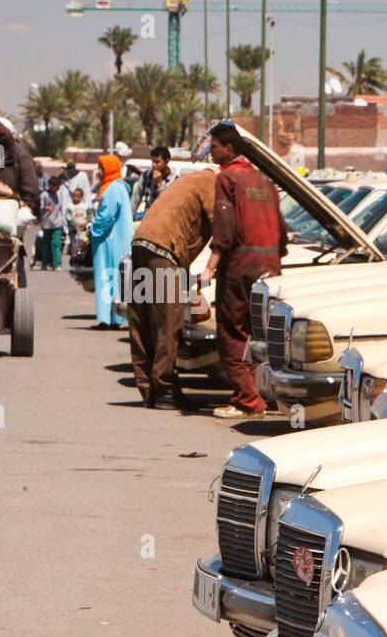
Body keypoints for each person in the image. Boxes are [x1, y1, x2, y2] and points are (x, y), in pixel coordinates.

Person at [200, 121, 287, 419]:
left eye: (214, 147)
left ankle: (247, 400)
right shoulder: (264, 180)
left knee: (232, 329)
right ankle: (266, 393)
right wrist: (277, 257)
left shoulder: (227, 178)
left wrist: (211, 266)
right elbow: (281, 226)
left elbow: (224, 229)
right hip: (270, 264)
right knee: (261, 331)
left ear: (229, 148)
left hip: (240, 263)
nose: (211, 153)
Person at [127, 165, 216, 410]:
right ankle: (165, 390)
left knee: (142, 321)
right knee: (168, 322)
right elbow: (221, 231)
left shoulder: (189, 180)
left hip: (141, 244)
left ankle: (149, 389)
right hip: (163, 249)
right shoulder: (213, 184)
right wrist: (213, 268)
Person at [89, 153, 133, 330]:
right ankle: (114, 318)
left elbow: (106, 217)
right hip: (117, 241)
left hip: (109, 241)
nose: (98, 172)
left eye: (102, 168)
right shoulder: (116, 186)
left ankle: (108, 318)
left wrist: (92, 227)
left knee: (107, 276)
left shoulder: (111, 189)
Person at [130, 145, 176, 217]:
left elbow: (168, 203)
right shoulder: (146, 176)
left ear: (167, 161)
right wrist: (130, 218)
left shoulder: (175, 180)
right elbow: (135, 199)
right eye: (153, 161)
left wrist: (159, 184)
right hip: (149, 218)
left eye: (157, 162)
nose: (154, 165)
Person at [37, 177, 64, 270]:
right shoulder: (44, 195)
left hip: (57, 223)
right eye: (56, 187)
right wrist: (45, 208)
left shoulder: (59, 194)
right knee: (46, 245)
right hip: (47, 223)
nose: (58, 189)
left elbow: (61, 208)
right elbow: (40, 207)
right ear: (51, 186)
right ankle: (44, 264)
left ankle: (57, 264)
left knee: (57, 244)